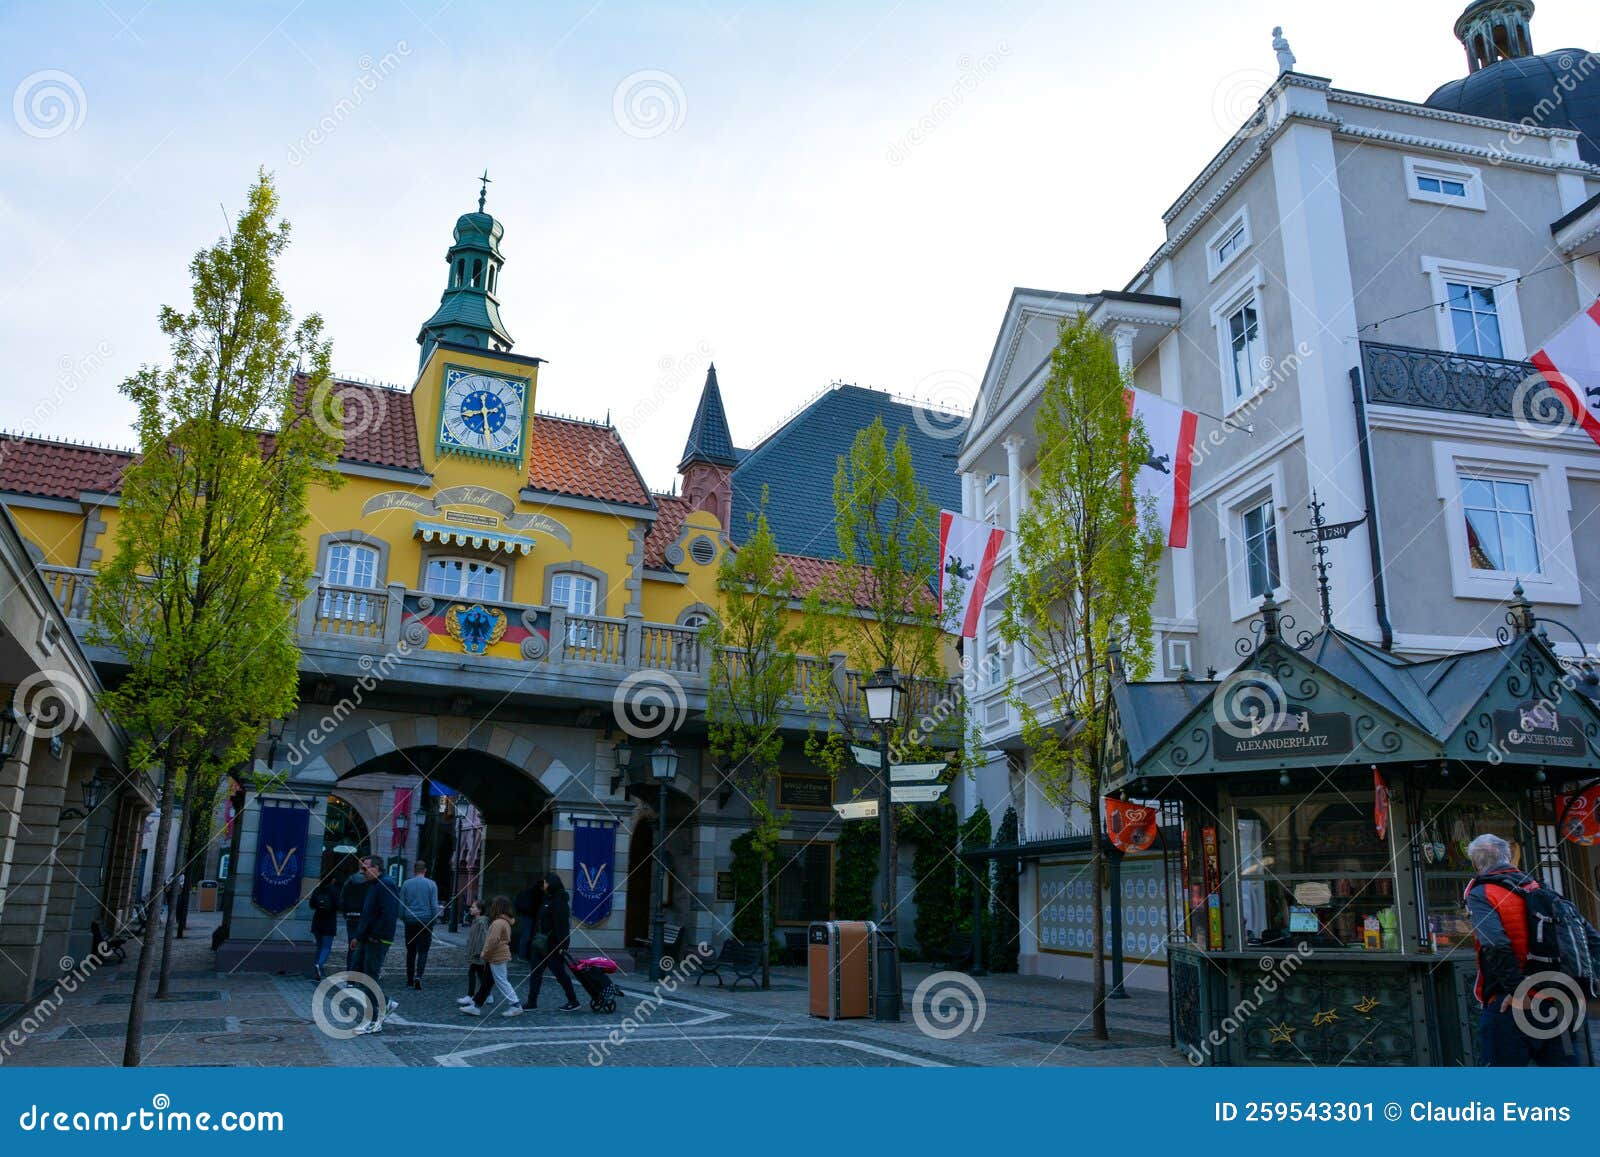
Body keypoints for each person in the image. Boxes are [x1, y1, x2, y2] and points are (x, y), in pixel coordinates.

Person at [1464, 833, 1600, 1066]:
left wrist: (1520, 992)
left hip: (1510, 1004)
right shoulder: (1543, 890)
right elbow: (1593, 940)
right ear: (1509, 858)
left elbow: (1495, 943)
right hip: (1556, 1001)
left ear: (1476, 864)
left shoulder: (1481, 893)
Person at [350, 855, 403, 1034]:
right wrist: (359, 936)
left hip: (376, 939)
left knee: (369, 979)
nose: (362, 871)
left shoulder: (385, 884)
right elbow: (369, 914)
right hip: (368, 938)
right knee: (360, 975)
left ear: (377, 868)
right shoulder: (374, 885)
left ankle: (375, 1020)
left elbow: (388, 914)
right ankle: (385, 1003)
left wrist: (375, 936)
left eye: (365, 868)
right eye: (361, 868)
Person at [526, 873, 580, 1012]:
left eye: (545, 882)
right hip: (541, 944)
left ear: (551, 884)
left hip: (553, 946)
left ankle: (573, 1001)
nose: (543, 885)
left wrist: (562, 946)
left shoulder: (559, 902)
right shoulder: (547, 899)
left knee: (560, 974)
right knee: (535, 973)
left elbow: (562, 926)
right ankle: (531, 1002)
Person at [461, 896, 522, 1017]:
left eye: (493, 905)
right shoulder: (504, 921)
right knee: (487, 982)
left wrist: (485, 954)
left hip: (496, 956)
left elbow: (492, 941)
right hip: (497, 955)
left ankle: (515, 1005)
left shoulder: (498, 922)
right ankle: (476, 1006)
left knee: (501, 981)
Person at [400, 860, 440, 990]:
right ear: (425, 870)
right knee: (423, 951)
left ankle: (409, 980)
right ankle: (418, 977)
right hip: (426, 921)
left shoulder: (406, 884)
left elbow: (402, 904)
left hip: (410, 921)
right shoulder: (431, 884)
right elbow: (434, 905)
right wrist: (434, 920)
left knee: (411, 951)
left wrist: (404, 918)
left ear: (414, 870)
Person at [455, 898, 495, 1012]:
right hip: (476, 952)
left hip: (477, 953)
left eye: (473, 907)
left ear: (479, 910)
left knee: (473, 972)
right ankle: (487, 995)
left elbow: (483, 938)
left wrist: (478, 952)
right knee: (480, 974)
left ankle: (471, 995)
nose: (470, 909)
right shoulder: (477, 921)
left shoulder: (481, 922)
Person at [339, 860, 371, 972]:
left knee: (352, 946)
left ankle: (350, 972)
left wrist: (346, 913)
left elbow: (342, 899)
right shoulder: (369, 882)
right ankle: (361, 972)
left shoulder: (349, 880)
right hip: (364, 917)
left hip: (351, 916)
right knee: (365, 946)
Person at [308, 874, 341, 980]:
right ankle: (319, 964)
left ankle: (317, 971)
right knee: (326, 947)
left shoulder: (317, 889)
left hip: (317, 920)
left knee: (319, 946)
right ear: (333, 880)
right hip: (329, 921)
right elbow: (339, 905)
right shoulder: (334, 890)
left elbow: (311, 904)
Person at [513, 878, 544, 961]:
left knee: (525, 936)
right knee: (528, 936)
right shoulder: (538, 893)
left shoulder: (526, 891)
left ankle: (522, 955)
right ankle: (523, 955)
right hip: (530, 916)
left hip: (525, 915)